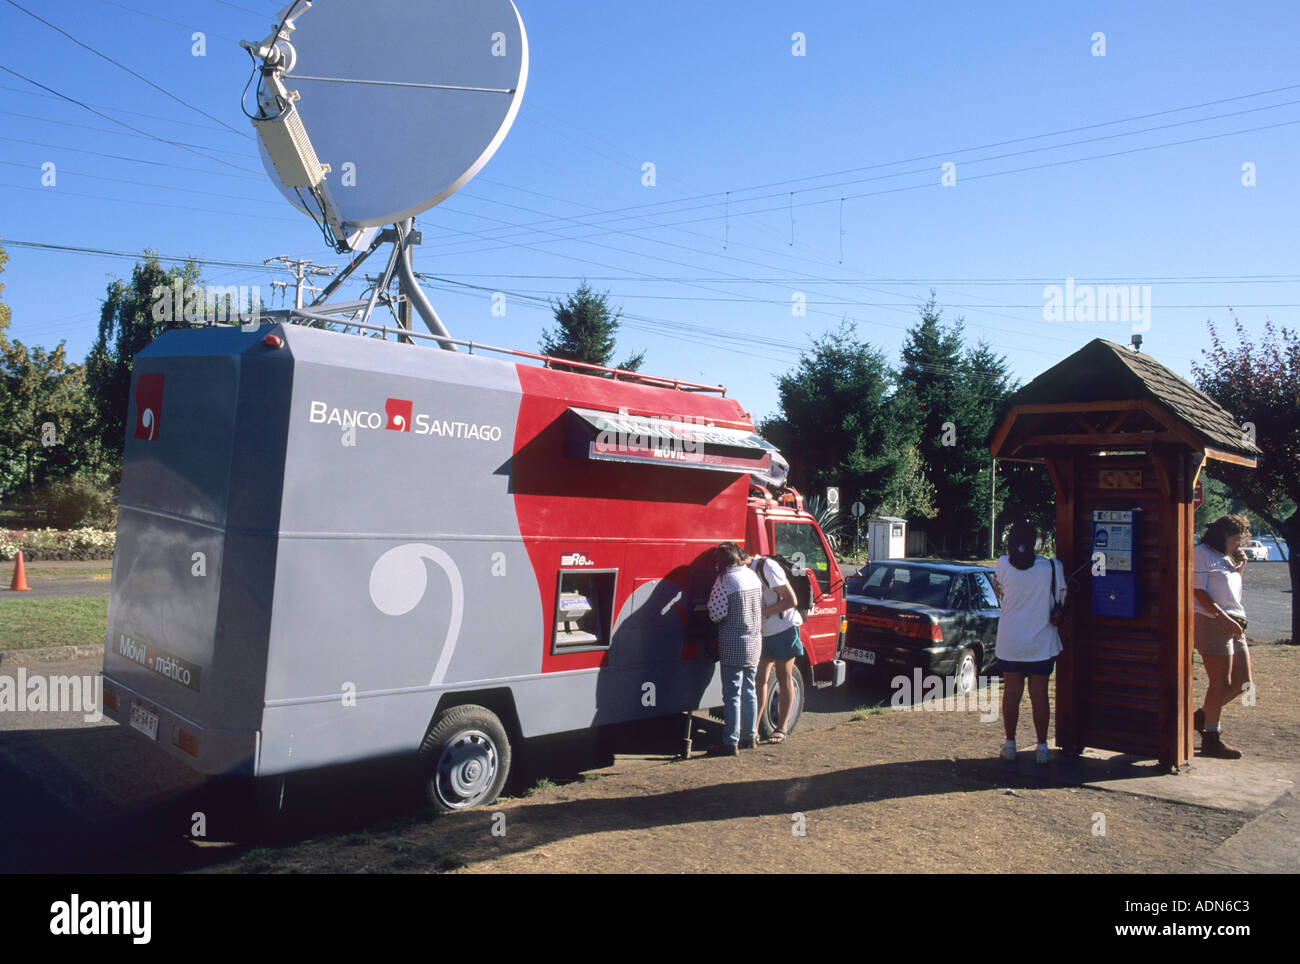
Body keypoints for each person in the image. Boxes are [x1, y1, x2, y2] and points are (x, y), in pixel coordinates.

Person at [991, 521, 1065, 764]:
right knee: (1039, 694)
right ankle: (1042, 748)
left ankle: (1010, 744)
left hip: (1010, 641)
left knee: (1011, 693)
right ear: (1035, 542)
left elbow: (999, 592)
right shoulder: (1051, 567)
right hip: (1041, 643)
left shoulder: (1002, 565)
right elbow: (1062, 597)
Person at [1193, 514, 1254, 759]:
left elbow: (1230, 591)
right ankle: (1211, 737)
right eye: (1237, 539)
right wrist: (1222, 617)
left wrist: (1241, 566)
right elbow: (1198, 591)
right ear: (1224, 535)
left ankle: (1201, 717)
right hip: (1212, 622)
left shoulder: (1226, 557)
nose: (1239, 544)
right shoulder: (1202, 553)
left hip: (1234, 623)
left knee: (1243, 682)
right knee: (1219, 682)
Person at [706, 541, 764, 755]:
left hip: (733, 643)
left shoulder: (725, 580)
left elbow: (716, 614)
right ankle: (750, 736)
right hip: (754, 642)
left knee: (732, 694)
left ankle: (730, 741)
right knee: (750, 691)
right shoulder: (752, 576)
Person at [751, 552, 803, 744]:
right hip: (764, 632)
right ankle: (753, 730)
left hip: (784, 628)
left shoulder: (767, 567)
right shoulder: (743, 571)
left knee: (783, 676)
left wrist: (762, 612)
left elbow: (791, 600)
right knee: (759, 680)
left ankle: (781, 728)